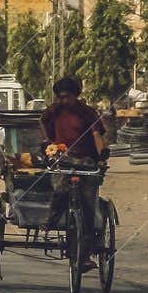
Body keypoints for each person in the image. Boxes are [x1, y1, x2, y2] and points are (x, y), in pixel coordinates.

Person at [41, 75, 108, 259]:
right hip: (62, 158)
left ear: (75, 96)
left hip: (86, 160)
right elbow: (43, 124)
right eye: (60, 97)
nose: (63, 100)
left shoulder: (88, 113)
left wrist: (102, 157)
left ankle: (85, 249)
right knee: (60, 190)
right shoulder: (53, 111)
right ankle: (51, 220)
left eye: (67, 97)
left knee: (88, 204)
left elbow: (97, 135)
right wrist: (48, 141)